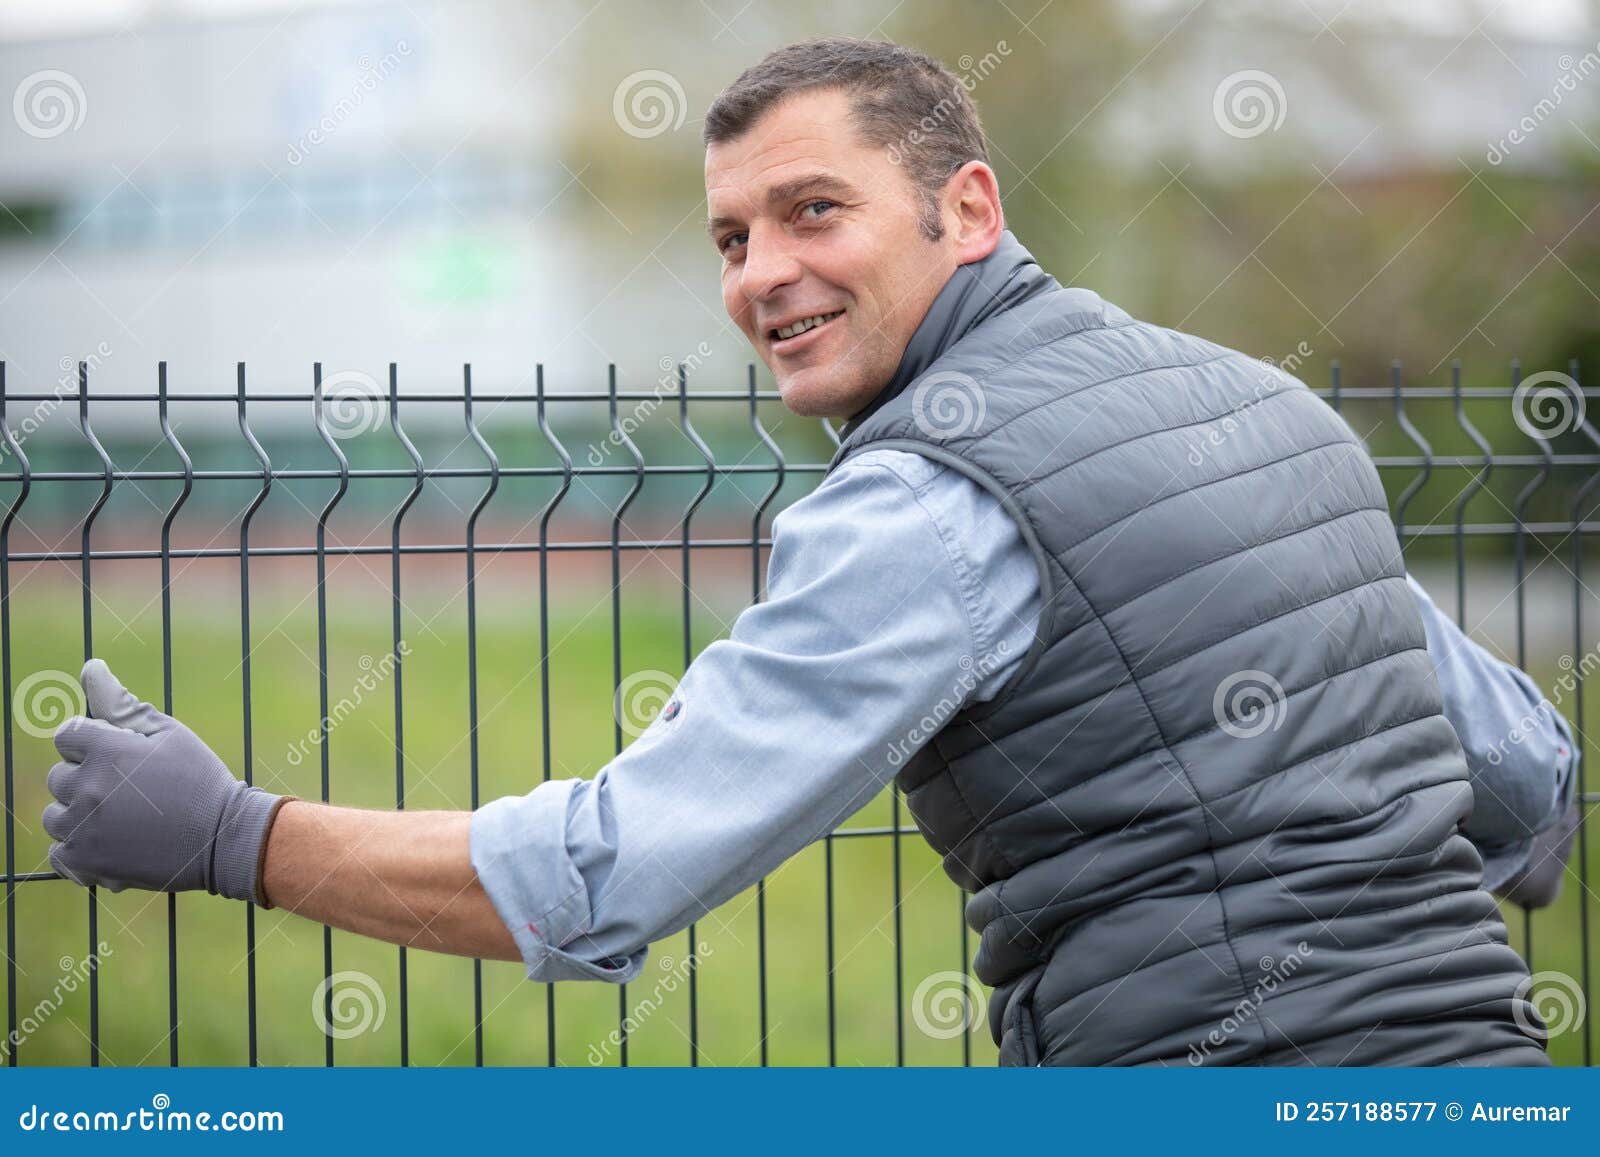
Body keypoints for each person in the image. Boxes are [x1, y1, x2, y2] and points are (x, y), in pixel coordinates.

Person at [41, 37, 1577, 1066]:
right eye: (729, 237)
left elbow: (608, 876)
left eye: (814, 211)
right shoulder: (1267, 406)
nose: (764, 273)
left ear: (964, 208)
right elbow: (1527, 786)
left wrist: (232, 831)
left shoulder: (926, 497)